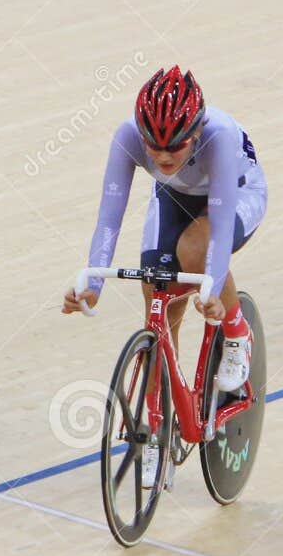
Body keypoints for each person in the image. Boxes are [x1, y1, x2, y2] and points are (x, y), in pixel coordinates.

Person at [62, 66, 268, 452]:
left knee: (195, 250)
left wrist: (211, 283)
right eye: (153, 147)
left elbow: (220, 227)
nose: (162, 155)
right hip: (174, 198)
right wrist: (91, 287)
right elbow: (109, 219)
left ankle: (239, 333)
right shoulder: (127, 137)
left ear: (195, 132)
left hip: (237, 195)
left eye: (174, 146)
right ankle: (157, 427)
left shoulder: (218, 136)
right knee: (157, 297)